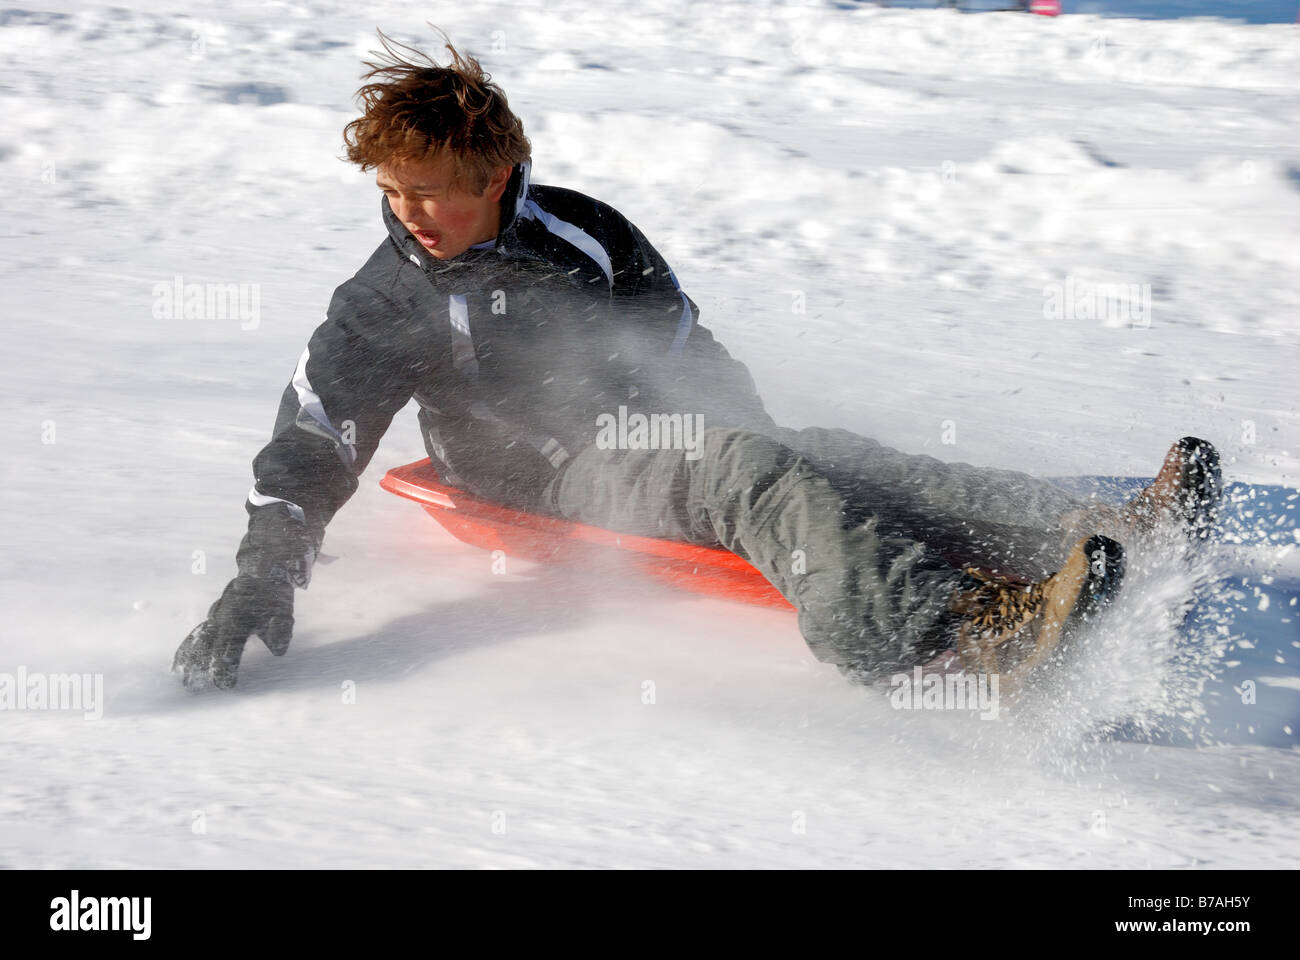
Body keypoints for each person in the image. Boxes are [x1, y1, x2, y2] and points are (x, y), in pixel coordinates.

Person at [173, 33, 1221, 696]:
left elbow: (676, 341)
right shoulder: (385, 303)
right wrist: (261, 574)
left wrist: (745, 431)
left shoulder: (583, 235)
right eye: (393, 192)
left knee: (817, 456)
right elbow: (315, 435)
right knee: (749, 475)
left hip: (644, 432)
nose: (411, 214)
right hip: (533, 471)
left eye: (433, 189)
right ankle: (961, 635)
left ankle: (1102, 535)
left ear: (496, 174)